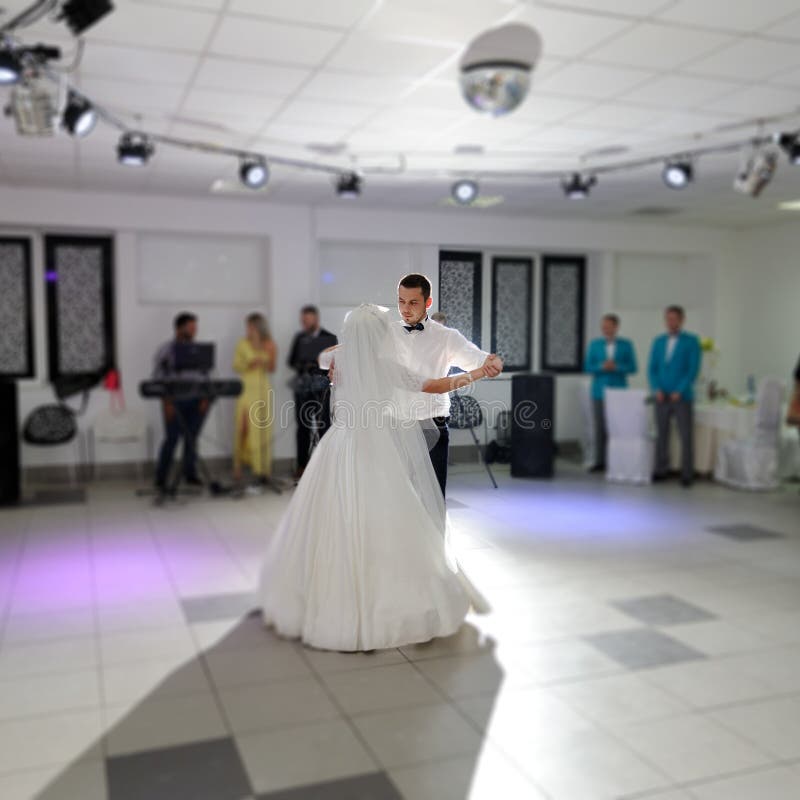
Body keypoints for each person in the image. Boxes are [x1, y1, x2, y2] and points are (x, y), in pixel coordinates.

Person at [259, 304, 488, 652]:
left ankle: (325, 595)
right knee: (389, 515)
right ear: (381, 335)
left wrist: (342, 352)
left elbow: (323, 356)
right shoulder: (388, 366)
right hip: (378, 444)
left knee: (335, 516)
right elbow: (435, 385)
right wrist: (476, 374)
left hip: (340, 444)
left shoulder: (336, 361)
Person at [392, 274, 502, 495]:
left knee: (433, 494)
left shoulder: (446, 337)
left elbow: (480, 360)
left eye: (413, 302)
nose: (405, 308)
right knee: (398, 496)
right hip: (394, 422)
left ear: (428, 303)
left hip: (433, 420)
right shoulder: (387, 332)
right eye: (401, 301)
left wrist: (493, 363)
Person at [152, 311, 208, 493]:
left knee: (192, 440)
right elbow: (158, 378)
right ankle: (161, 478)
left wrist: (205, 398)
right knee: (172, 439)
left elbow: (205, 376)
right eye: (191, 327)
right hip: (174, 401)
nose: (194, 331)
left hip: (196, 401)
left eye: (195, 327)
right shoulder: (166, 350)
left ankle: (189, 474)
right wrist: (167, 402)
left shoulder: (199, 351)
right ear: (179, 328)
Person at [648, 305, 701, 487]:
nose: (670, 322)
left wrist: (680, 389)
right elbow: (652, 369)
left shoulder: (691, 341)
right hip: (661, 396)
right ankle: (661, 469)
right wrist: (657, 388)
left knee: (685, 436)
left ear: (682, 320)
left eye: (674, 319)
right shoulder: (658, 341)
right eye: (668, 319)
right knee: (661, 434)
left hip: (682, 397)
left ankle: (687, 473)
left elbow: (692, 370)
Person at [287, 305, 338, 479]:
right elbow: (291, 361)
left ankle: (326, 466)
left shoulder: (330, 338)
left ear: (315, 319)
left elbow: (334, 362)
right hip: (303, 387)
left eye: (307, 320)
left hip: (322, 387)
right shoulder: (299, 338)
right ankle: (302, 466)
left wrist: (318, 366)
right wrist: (304, 364)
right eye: (303, 321)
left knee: (324, 425)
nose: (305, 323)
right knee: (303, 427)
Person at [584, 313, 638, 471]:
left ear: (616, 327)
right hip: (599, 391)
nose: (606, 329)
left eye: (609, 326)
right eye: (603, 326)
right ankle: (600, 461)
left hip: (619, 392)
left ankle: (617, 461)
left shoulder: (626, 344)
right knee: (599, 427)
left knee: (617, 427)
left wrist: (616, 367)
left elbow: (633, 367)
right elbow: (587, 366)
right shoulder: (595, 344)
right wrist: (602, 366)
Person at [232, 312, 277, 485]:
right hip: (245, 388)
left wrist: (266, 354)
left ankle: (262, 469)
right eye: (247, 326)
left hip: (262, 388)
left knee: (260, 428)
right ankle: (238, 466)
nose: (248, 329)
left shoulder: (269, 344)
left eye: (251, 326)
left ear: (259, 327)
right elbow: (236, 365)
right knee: (242, 427)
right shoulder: (242, 344)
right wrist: (249, 363)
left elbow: (272, 368)